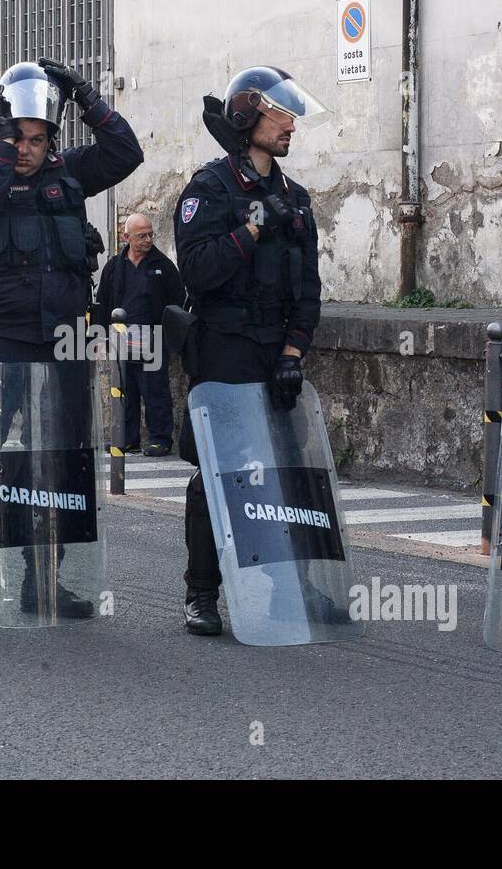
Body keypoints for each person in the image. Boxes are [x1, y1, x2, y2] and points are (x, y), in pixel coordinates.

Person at [0, 58, 143, 626]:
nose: (27, 148)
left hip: (60, 346)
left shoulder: (68, 174)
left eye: (37, 137)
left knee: (56, 463)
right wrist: (3, 137)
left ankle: (41, 579)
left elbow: (126, 153)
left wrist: (83, 95)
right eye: (17, 136)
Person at [173, 67, 328, 636]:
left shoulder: (298, 199)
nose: (292, 125)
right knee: (220, 470)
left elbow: (308, 288)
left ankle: (288, 585)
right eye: (281, 114)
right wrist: (254, 227)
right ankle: (201, 592)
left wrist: (294, 351)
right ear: (247, 120)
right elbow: (199, 270)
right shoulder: (209, 189)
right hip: (223, 349)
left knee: (285, 469)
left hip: (274, 354)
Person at [93, 212, 184, 456]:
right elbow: (102, 302)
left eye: (150, 234)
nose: (147, 239)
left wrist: (168, 337)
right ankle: (127, 439)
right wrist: (101, 338)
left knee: (154, 390)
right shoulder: (115, 266)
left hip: (151, 339)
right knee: (125, 392)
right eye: (141, 235)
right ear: (126, 237)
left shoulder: (162, 266)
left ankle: (160, 438)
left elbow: (177, 300)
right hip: (121, 339)